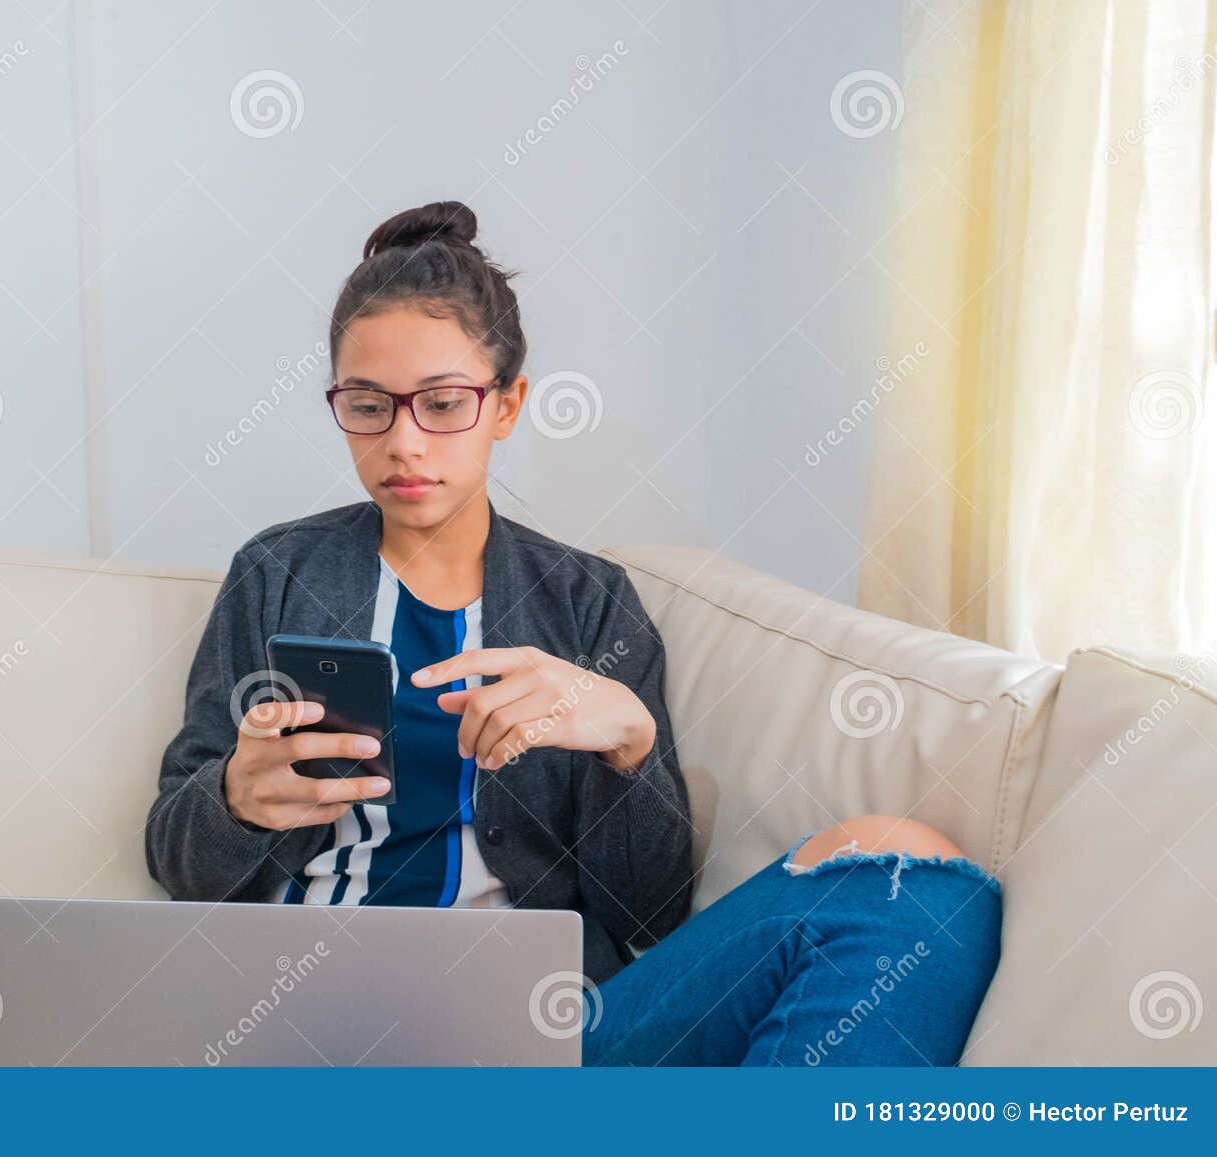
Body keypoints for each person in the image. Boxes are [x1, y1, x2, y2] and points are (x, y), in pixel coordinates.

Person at [145, 200, 1002, 1066]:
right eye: (368, 405)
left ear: (507, 404)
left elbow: (646, 916)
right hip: (327, 1035)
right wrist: (232, 801)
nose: (403, 443)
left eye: (443, 403)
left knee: (915, 882)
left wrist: (629, 741)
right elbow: (179, 858)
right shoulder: (278, 574)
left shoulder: (590, 602)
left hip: (555, 1044)